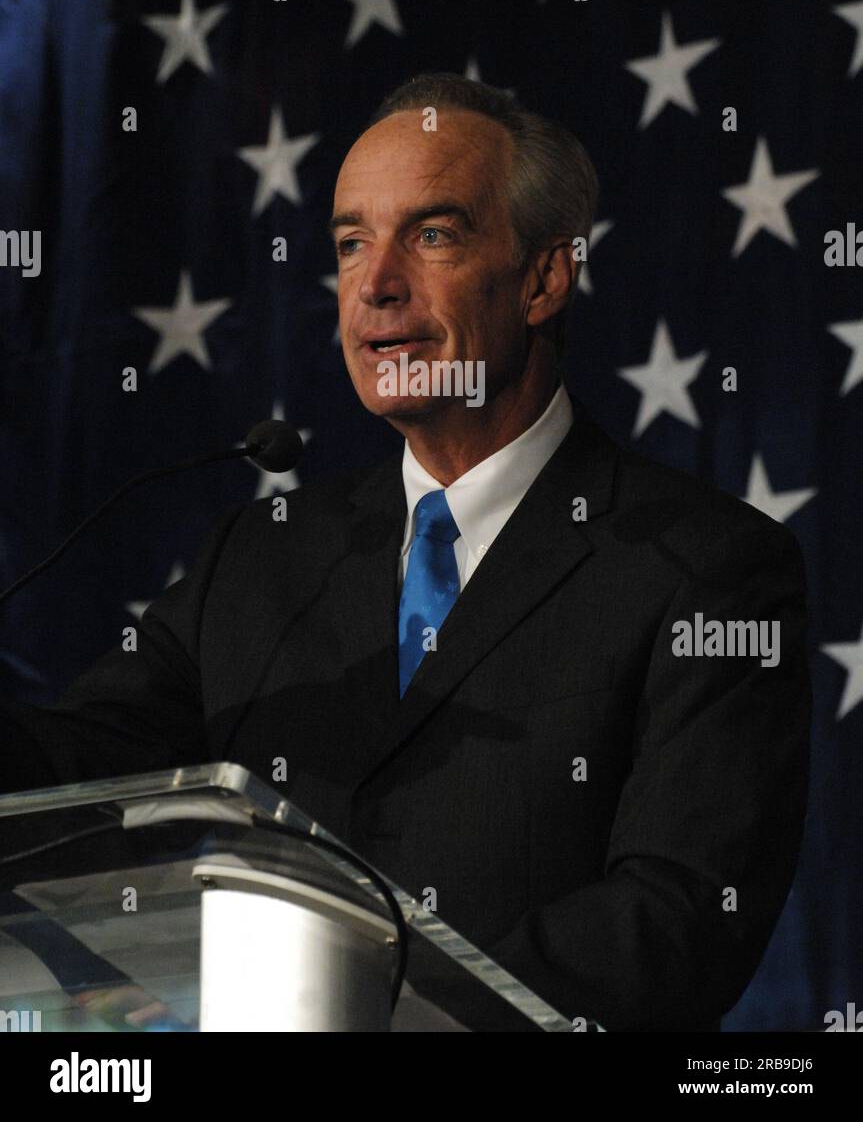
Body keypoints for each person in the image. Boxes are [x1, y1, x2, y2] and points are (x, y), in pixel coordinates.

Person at [0, 73, 810, 1032]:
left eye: (432, 235)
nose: (376, 284)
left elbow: (677, 919)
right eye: (350, 244)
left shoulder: (703, 569)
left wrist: (383, 1018)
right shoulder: (260, 559)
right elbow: (81, 774)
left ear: (545, 278)